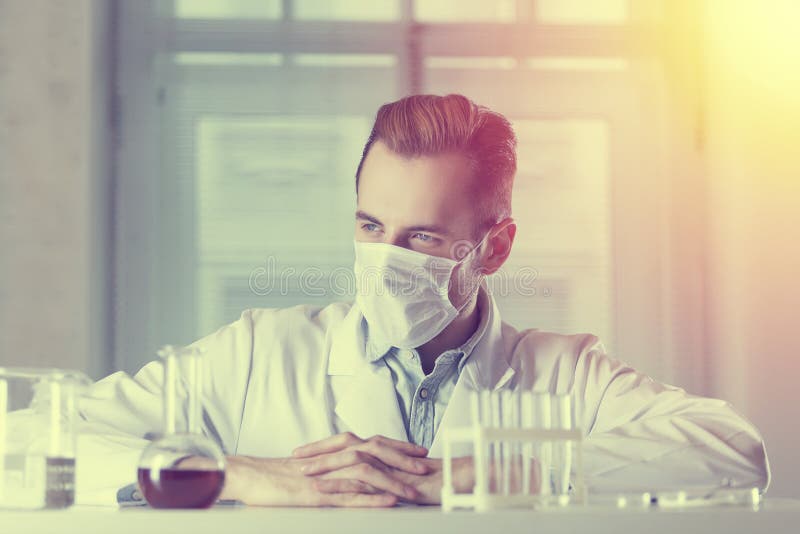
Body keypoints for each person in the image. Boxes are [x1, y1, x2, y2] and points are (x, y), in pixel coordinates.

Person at [77, 94, 769, 507]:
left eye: (424, 238)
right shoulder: (260, 350)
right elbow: (29, 443)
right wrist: (237, 476)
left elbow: (734, 450)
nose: (385, 259)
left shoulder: (562, 373)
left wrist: (485, 475)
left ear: (494, 249)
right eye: (371, 227)